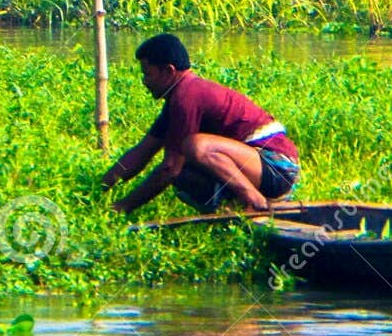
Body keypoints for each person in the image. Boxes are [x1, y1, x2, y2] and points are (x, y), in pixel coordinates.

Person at [101, 34, 300, 216]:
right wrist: (100, 186)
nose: (144, 81)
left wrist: (123, 206)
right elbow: (142, 151)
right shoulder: (177, 100)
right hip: (258, 168)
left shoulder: (187, 96)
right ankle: (235, 207)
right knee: (184, 174)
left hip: (278, 168)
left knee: (194, 147)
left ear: (168, 71)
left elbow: (169, 168)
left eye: (147, 74)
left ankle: (255, 201)